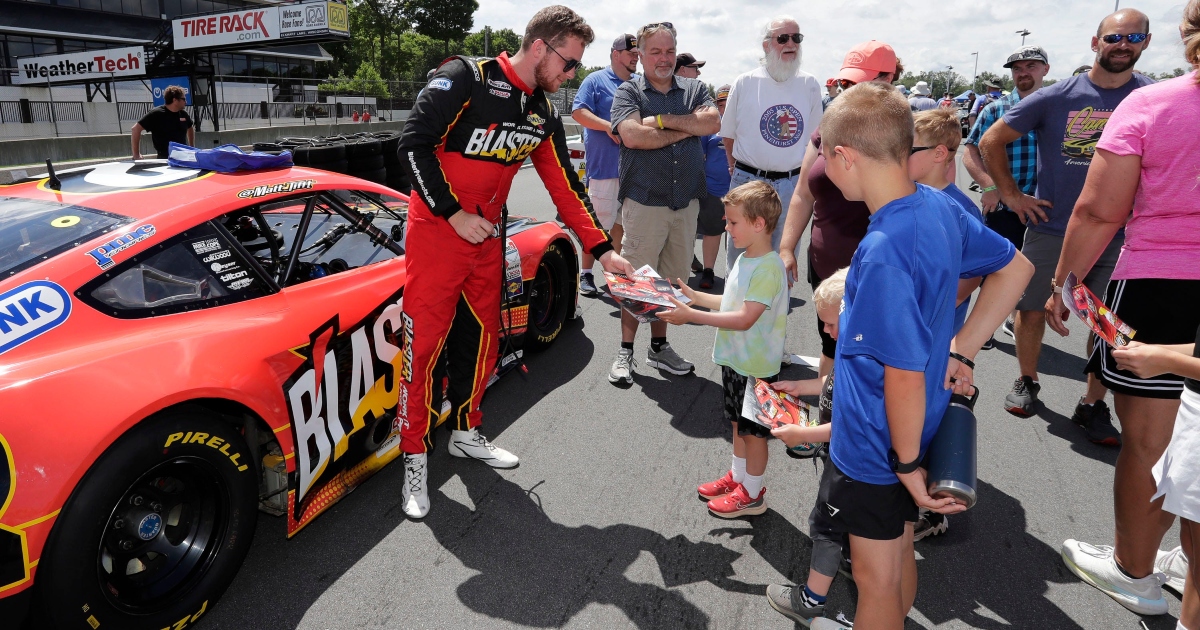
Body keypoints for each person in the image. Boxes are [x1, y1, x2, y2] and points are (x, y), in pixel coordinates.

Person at [796, 82, 1031, 630]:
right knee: (898, 558)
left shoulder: (881, 252)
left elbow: (899, 374)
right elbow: (1015, 267)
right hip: (915, 425)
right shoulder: (934, 205)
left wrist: (905, 466)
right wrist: (963, 349)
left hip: (878, 443)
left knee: (874, 581)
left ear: (844, 157)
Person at [396, 5, 633, 519]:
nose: (572, 75)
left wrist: (603, 250)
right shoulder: (466, 78)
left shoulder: (543, 110)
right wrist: (453, 214)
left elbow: (566, 188)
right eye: (569, 63)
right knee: (426, 345)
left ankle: (465, 430)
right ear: (541, 47)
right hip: (439, 233)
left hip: (488, 240)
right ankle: (414, 455)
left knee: (482, 339)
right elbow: (412, 145)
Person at [1048, 3, 1200, 616]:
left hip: (1163, 280)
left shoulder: (1152, 105)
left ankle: (1134, 571)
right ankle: (1188, 563)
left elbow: (1098, 211)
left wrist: (1065, 283)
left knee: (1149, 443)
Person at [980, 8, 1155, 432]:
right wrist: (1011, 195)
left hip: (1118, 234)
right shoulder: (1057, 96)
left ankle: (1093, 401)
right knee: (1032, 307)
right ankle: (1027, 379)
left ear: (1146, 44)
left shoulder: (1151, 97)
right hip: (1052, 227)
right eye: (1114, 38)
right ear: (1095, 43)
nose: (1123, 46)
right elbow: (991, 140)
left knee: (1103, 318)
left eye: (1134, 38)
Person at [657, 181, 789, 518]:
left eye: (732, 223)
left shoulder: (769, 268)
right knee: (736, 424)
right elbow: (730, 301)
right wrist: (693, 295)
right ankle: (739, 477)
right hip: (736, 362)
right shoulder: (746, 258)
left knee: (755, 433)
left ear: (759, 224)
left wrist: (692, 316)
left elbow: (745, 318)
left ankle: (753, 493)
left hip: (756, 368)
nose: (726, 228)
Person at [776, 40, 902, 380]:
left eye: (861, 82)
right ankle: (829, 421)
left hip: (877, 271)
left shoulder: (907, 134)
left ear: (890, 78)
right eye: (846, 83)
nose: (850, 90)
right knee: (832, 344)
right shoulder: (827, 125)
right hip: (826, 267)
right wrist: (787, 247)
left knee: (872, 356)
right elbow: (803, 193)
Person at [607, 21, 720, 385]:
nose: (664, 58)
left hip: (684, 203)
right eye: (655, 51)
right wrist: (687, 127)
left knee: (669, 282)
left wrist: (660, 122)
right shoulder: (628, 92)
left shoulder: (695, 87)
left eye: (669, 51)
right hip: (644, 202)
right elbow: (633, 136)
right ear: (640, 55)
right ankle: (626, 351)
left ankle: (659, 348)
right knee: (638, 282)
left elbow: (712, 122)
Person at [763, 268, 849, 625]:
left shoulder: (860, 353)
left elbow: (853, 427)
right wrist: (806, 388)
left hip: (847, 465)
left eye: (831, 325)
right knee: (850, 525)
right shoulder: (859, 345)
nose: (827, 333)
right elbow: (834, 380)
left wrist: (803, 435)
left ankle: (811, 601)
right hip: (853, 465)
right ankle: (851, 561)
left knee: (826, 527)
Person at [719, 15, 823, 270]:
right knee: (740, 255)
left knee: (782, 258)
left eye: (796, 38)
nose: (791, 44)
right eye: (783, 38)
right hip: (747, 181)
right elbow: (728, 134)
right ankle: (736, 307)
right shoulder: (745, 82)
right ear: (766, 45)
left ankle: (777, 309)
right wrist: (736, 168)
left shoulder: (809, 84)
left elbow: (815, 141)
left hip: (791, 185)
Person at [572, 33, 640, 297]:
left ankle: (614, 274)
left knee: (622, 225)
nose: (635, 57)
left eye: (637, 54)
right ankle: (586, 274)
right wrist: (608, 126)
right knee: (598, 225)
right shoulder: (596, 80)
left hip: (633, 169)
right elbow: (579, 111)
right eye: (630, 53)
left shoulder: (638, 83)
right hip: (604, 170)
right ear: (615, 54)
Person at [696, 84, 733, 290]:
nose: (725, 107)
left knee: (739, 235)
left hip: (740, 190)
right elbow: (699, 156)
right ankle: (708, 270)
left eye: (729, 103)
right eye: (721, 104)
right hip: (713, 190)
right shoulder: (710, 128)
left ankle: (734, 274)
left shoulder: (745, 126)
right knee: (712, 232)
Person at [131, 85, 194, 160]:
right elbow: (135, 129)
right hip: (164, 159)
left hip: (183, 157)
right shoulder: (156, 114)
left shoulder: (183, 114)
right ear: (175, 100)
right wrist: (136, 154)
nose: (185, 102)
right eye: (183, 99)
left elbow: (190, 128)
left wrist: (192, 148)